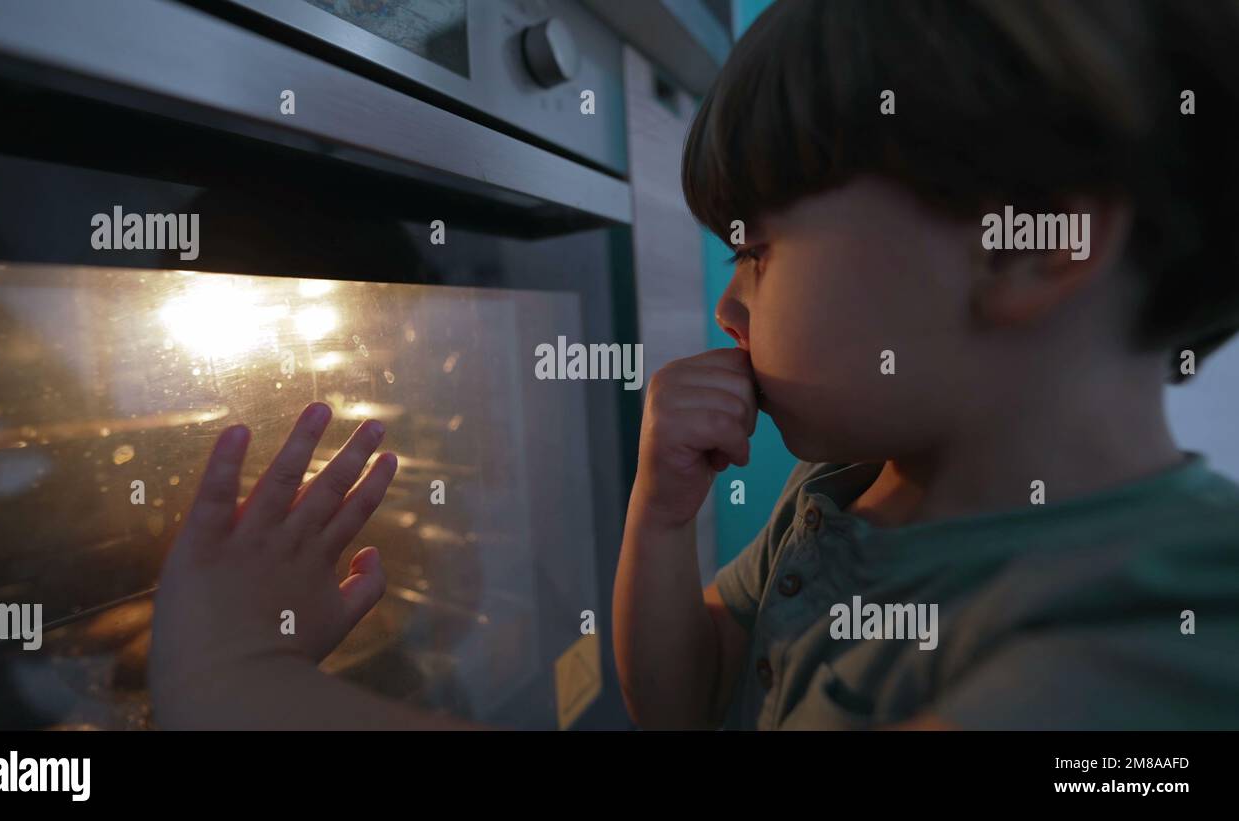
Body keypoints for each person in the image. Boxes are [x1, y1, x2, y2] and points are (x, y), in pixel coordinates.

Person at [151, 0, 1239, 729]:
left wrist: (235, 680)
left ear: (1031, 240)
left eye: (757, 246)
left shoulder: (1155, 631)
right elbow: (686, 695)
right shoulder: (843, 496)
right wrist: (660, 516)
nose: (727, 299)